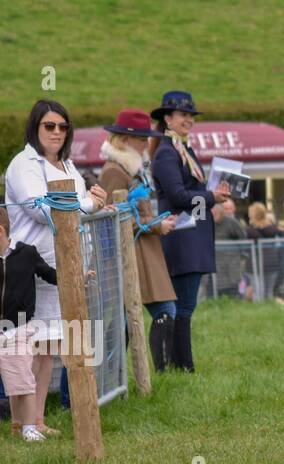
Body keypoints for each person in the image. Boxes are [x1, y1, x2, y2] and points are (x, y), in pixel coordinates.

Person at [4, 100, 109, 437]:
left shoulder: (67, 165)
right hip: (29, 270)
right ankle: (23, 423)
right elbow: (44, 210)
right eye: (49, 126)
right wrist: (90, 204)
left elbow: (69, 204)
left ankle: (36, 419)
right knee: (26, 349)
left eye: (63, 127)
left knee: (48, 348)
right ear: (35, 127)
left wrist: (93, 202)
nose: (57, 132)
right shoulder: (24, 164)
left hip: (60, 265)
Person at [150, 92, 231, 372]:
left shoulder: (183, 149)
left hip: (191, 234)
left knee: (186, 307)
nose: (188, 120)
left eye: (190, 116)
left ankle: (179, 364)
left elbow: (190, 193)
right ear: (167, 119)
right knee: (183, 307)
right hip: (181, 238)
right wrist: (211, 198)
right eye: (182, 115)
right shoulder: (166, 153)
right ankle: (182, 366)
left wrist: (212, 195)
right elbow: (178, 196)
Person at [97, 109, 179, 369]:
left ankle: (156, 372)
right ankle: (111, 373)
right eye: (142, 138)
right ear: (124, 139)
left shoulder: (128, 169)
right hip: (129, 253)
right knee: (124, 319)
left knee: (159, 311)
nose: (146, 144)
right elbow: (116, 218)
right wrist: (157, 226)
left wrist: (156, 224)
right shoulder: (114, 171)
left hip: (142, 252)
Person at [0, 217, 58, 441]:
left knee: (23, 381)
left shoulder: (26, 253)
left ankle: (29, 427)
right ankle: (17, 425)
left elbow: (50, 275)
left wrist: (78, 278)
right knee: (14, 382)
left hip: (18, 328)